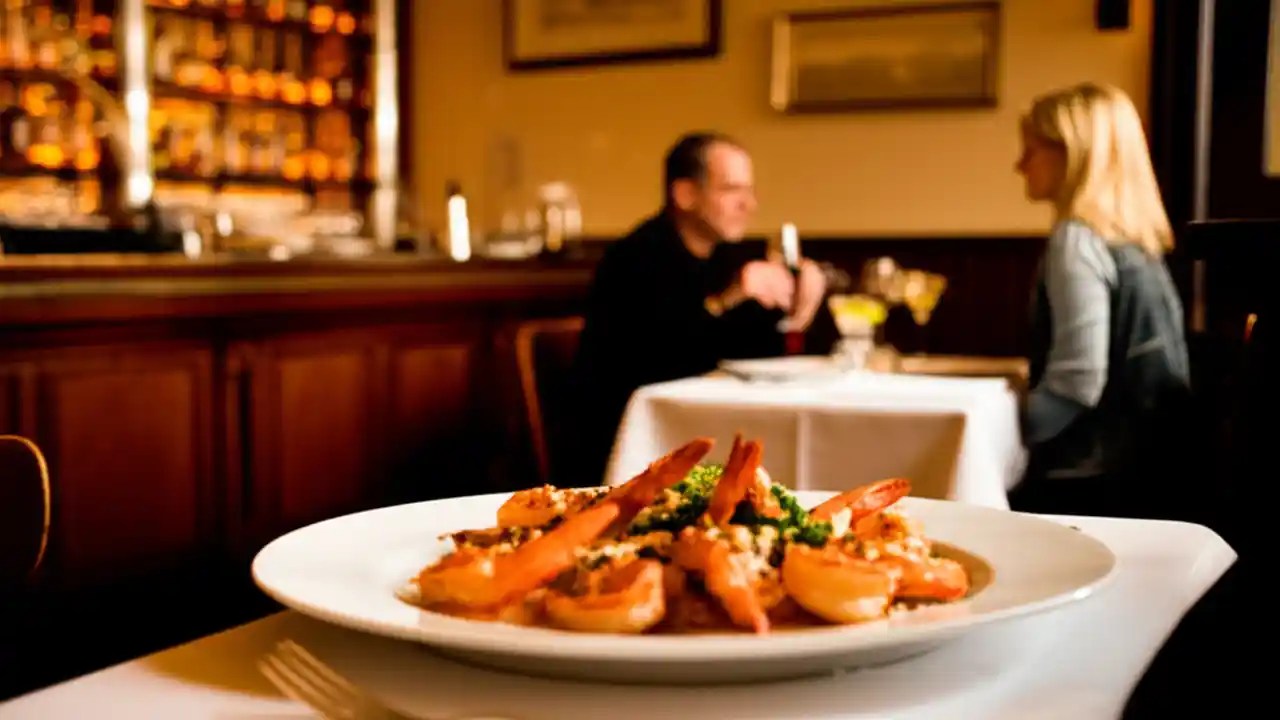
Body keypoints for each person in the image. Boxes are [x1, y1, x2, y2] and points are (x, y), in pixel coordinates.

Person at [566, 131, 828, 486]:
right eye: (732, 190)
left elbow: (762, 352)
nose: (748, 204)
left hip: (704, 436)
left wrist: (802, 289)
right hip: (629, 453)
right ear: (685, 194)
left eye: (749, 191)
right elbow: (658, 359)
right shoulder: (634, 259)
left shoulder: (724, 258)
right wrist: (730, 298)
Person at [1007, 82, 1192, 519]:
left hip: (1090, 485)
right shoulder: (1135, 244)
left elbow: (1076, 384)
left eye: (1031, 150)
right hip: (1155, 474)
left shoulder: (1076, 241)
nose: (1019, 165)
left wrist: (998, 430)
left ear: (1072, 154)